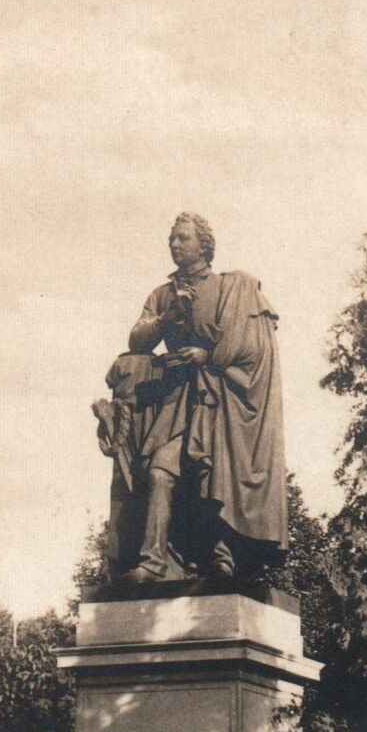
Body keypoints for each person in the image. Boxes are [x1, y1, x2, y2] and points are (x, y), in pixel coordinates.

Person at [93, 214, 288, 583]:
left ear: (204, 245)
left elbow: (251, 348)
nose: (175, 244)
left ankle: (219, 556)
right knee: (160, 471)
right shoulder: (162, 294)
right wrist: (169, 316)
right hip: (175, 400)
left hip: (218, 402)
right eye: (172, 239)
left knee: (207, 474)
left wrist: (207, 356)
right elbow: (137, 341)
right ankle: (154, 562)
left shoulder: (228, 289)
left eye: (183, 238)